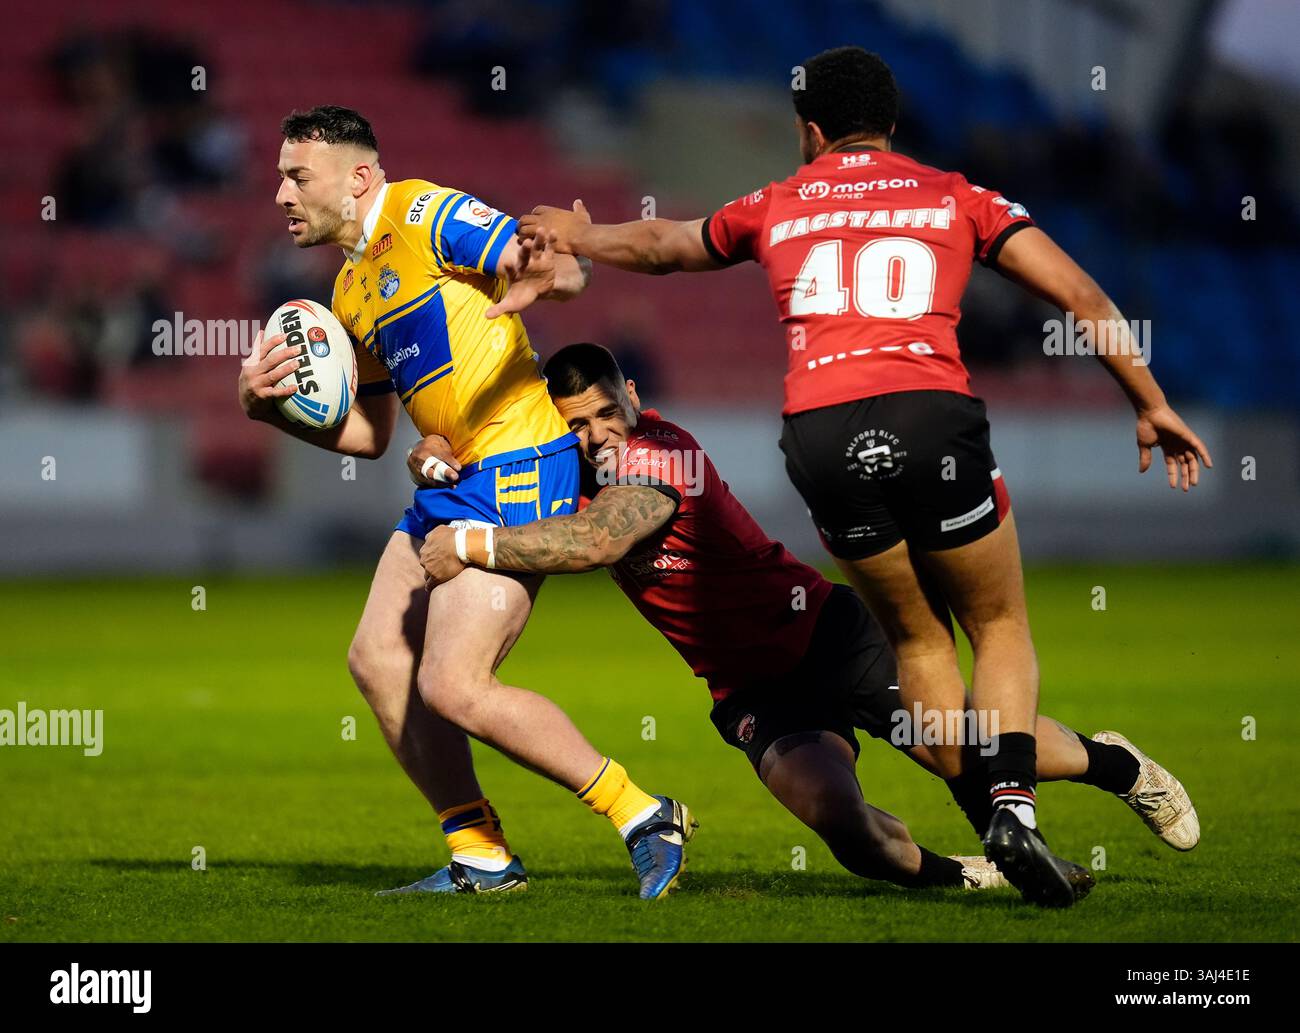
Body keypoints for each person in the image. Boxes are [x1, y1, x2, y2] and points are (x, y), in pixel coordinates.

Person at [512, 48, 1212, 907]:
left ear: (809, 131)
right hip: (931, 414)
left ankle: (1066, 785)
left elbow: (666, 244)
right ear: (892, 123)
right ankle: (1024, 804)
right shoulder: (956, 194)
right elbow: (1082, 297)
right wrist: (1148, 401)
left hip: (819, 433)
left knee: (921, 647)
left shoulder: (779, 201)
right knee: (994, 623)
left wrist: (582, 236)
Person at [414, 343, 1198, 896]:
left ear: (633, 402)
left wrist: (472, 539)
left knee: (972, 748)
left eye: (603, 415)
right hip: (752, 689)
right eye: (575, 426)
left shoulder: (661, 455)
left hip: (826, 635)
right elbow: (500, 479)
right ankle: (972, 874)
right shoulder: (566, 477)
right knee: (842, 827)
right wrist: (438, 452)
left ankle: (1119, 766)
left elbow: (596, 541)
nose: (594, 437)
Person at [236, 106, 693, 899]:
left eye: (296, 175)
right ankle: (479, 852)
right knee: (377, 658)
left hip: (521, 463)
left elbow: (557, 269)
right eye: (280, 175)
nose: (280, 192)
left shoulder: (426, 211)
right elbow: (370, 434)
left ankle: (644, 814)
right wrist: (265, 405)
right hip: (450, 486)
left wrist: (556, 272)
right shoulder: (350, 290)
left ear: (360, 177)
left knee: (452, 682)